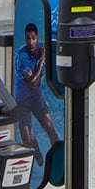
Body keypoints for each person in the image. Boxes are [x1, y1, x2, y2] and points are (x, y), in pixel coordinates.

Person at [13, 22, 60, 165]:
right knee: (27, 142)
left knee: (51, 130)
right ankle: (34, 145)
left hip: (36, 98)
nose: (31, 42)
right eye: (28, 39)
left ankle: (58, 161)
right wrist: (41, 62)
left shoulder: (42, 49)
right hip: (22, 101)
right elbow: (33, 84)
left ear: (38, 38)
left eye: (33, 38)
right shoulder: (22, 56)